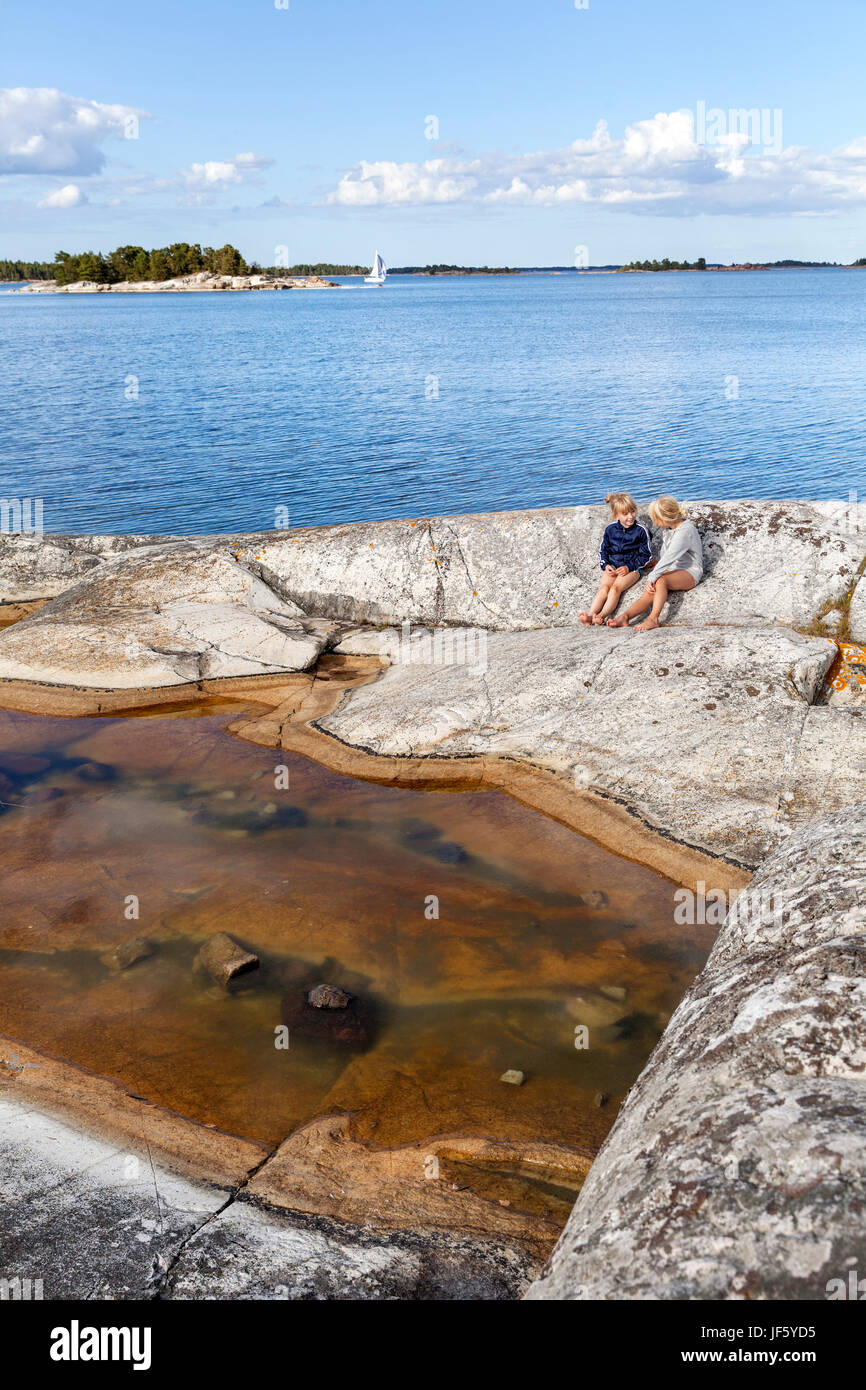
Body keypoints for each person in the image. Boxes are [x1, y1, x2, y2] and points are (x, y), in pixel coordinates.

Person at [607, 496, 703, 631]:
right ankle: (625, 617)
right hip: (674, 568)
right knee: (650, 590)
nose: (656, 524)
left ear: (665, 518)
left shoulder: (685, 531)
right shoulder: (669, 528)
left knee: (660, 580)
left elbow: (670, 556)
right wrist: (655, 565)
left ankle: (653, 619)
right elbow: (666, 554)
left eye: (656, 520)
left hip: (690, 571)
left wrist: (653, 576)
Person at [578, 492, 653, 626]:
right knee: (604, 589)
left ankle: (601, 616)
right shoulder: (610, 529)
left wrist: (628, 567)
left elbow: (646, 556)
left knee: (615, 589)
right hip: (613, 566)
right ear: (616, 516)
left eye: (632, 512)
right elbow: (603, 551)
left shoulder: (641, 531)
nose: (630, 516)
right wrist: (606, 565)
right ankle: (590, 616)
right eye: (625, 514)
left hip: (633, 569)